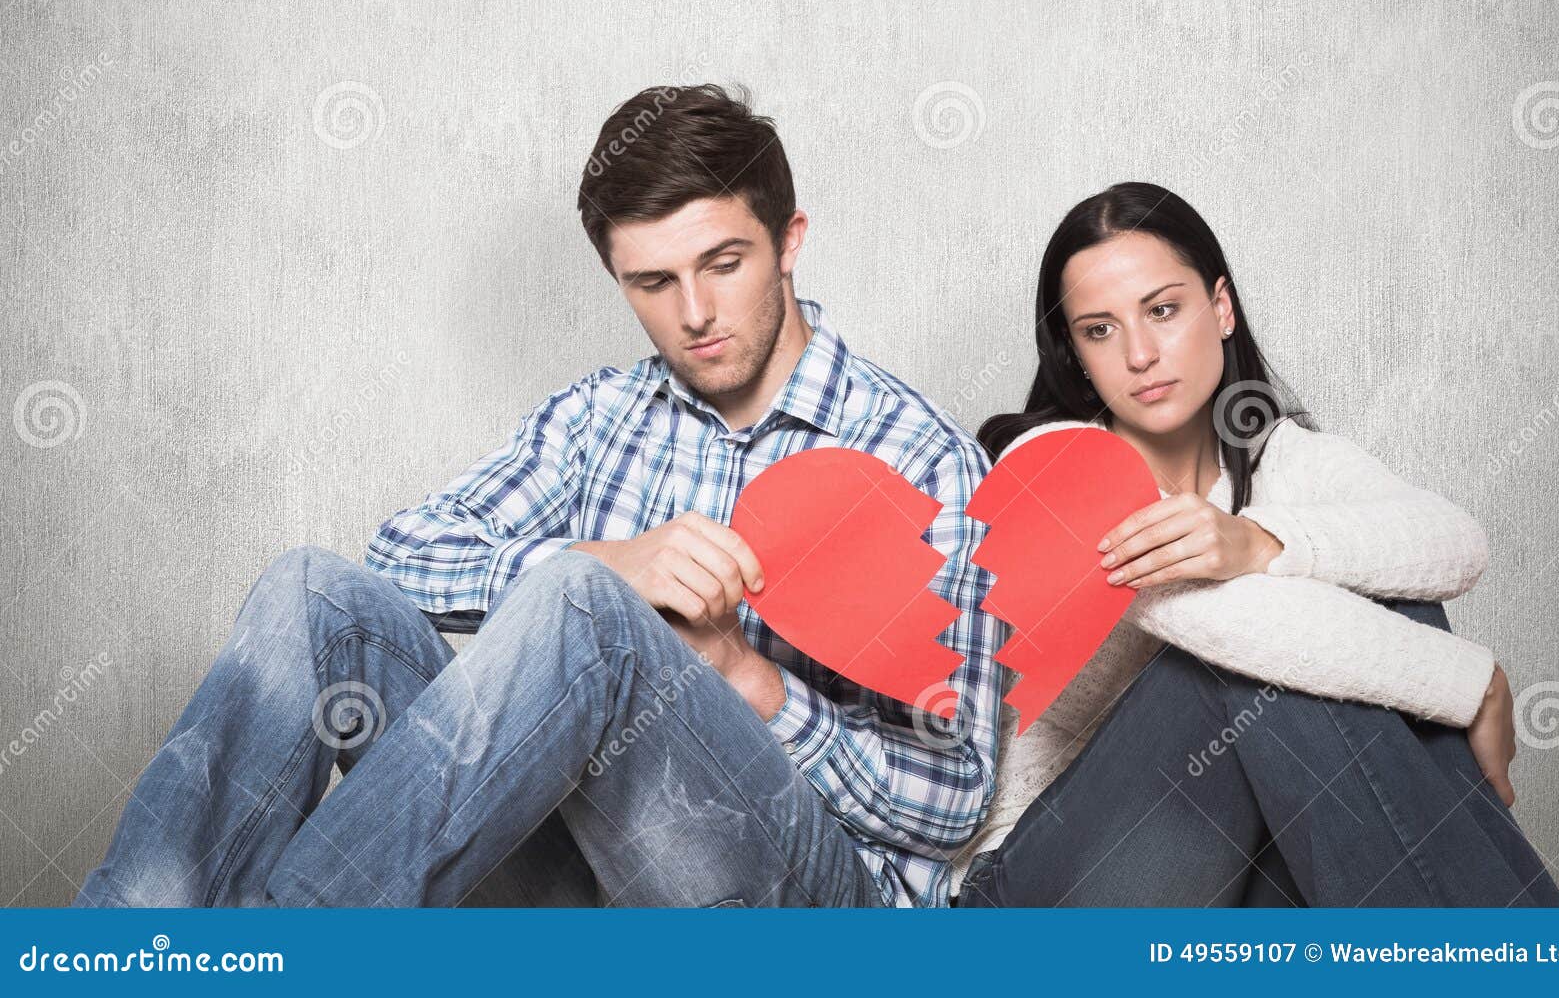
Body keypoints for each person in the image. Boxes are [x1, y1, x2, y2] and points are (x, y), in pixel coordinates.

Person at [74, 83, 1003, 910]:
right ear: (617, 278)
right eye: (653, 280)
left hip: (802, 898)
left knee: (583, 607)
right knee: (315, 592)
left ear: (789, 239)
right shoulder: (601, 416)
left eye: (724, 263)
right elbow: (401, 553)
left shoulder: (920, 459)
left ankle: (293, 948)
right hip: (579, 885)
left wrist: (740, 676)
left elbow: (956, 794)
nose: (694, 313)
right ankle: (122, 950)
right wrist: (610, 561)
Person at [953, 181, 1559, 907]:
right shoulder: (1058, 464)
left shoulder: (1280, 458)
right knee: (1258, 654)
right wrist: (1473, 681)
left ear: (1220, 307)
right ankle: (1517, 956)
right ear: (1076, 354)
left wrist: (1259, 540)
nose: (1141, 353)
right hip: (1040, 891)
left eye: (1163, 309)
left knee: (1386, 604)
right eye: (1100, 329)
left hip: (1226, 868)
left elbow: (1456, 543)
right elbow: (1245, 634)